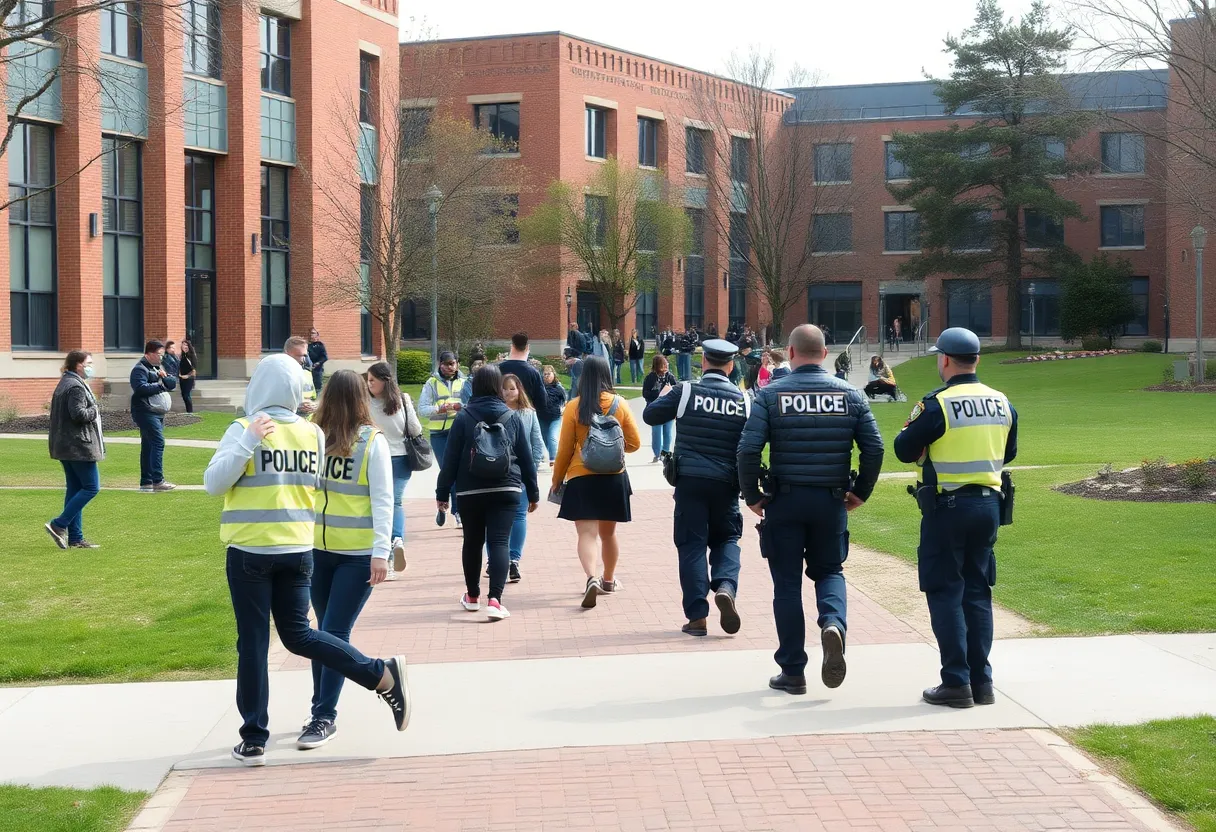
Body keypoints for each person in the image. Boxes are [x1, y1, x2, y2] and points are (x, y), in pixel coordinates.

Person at [202, 354, 410, 765]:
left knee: (256, 643)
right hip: (301, 551)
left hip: (253, 550)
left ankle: (256, 736)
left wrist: (248, 444)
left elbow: (213, 484)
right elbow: (311, 486)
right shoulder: (310, 434)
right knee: (300, 636)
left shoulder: (245, 429)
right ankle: (377, 673)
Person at [737, 325, 884, 696]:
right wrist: (860, 492)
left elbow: (748, 450)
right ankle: (833, 624)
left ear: (790, 352)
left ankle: (792, 671)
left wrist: (752, 495)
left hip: (784, 501)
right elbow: (875, 448)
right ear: (825, 352)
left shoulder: (770, 395)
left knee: (786, 584)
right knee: (830, 571)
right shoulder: (850, 395)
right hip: (830, 500)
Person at [893, 327, 1018, 709]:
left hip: (947, 507)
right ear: (976, 359)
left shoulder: (937, 404)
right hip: (989, 507)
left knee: (946, 590)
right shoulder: (1002, 402)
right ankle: (983, 683)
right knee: (978, 592)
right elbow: (1008, 453)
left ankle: (956, 682)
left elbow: (902, 449)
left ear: (945, 359)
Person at [300, 369, 396, 750]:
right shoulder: (311, 436)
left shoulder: (372, 442)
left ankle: (325, 716)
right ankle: (318, 710)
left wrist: (381, 552)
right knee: (319, 635)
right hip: (315, 551)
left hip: (356, 556)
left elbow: (383, 500)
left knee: (333, 633)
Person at [643, 340, 749, 637]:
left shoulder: (685, 391)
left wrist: (663, 395)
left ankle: (697, 617)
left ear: (703, 362)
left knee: (691, 546)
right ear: (730, 366)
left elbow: (650, 416)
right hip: (727, 483)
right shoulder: (744, 399)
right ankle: (726, 585)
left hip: (689, 481)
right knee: (727, 538)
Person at [436, 366, 540, 620]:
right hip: (507, 487)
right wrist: (533, 491)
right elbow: (526, 458)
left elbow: (450, 460)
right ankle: (495, 600)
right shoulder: (511, 416)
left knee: (472, 542)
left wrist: (442, 493)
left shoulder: (463, 417)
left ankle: (472, 596)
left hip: (470, 489)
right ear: (496, 385)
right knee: (500, 542)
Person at [551, 356, 641, 608]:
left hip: (582, 477)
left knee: (587, 534)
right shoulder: (620, 404)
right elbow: (634, 443)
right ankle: (609, 581)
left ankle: (591, 578)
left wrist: (557, 480)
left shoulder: (574, 406)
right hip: (614, 477)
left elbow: (565, 449)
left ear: (583, 376)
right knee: (609, 533)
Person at [366, 360, 422, 579]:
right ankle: (396, 539)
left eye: (372, 380)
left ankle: (386, 555)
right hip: (401, 458)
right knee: (395, 503)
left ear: (383, 380)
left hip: (375, 457)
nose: (369, 384)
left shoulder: (367, 403)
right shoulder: (403, 399)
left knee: (378, 504)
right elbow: (415, 428)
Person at [45, 350, 104, 550]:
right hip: (79, 446)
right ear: (78, 365)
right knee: (91, 487)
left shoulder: (65, 383)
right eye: (88, 362)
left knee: (75, 489)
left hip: (65, 445)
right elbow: (78, 414)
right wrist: (94, 409)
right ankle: (59, 524)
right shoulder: (75, 386)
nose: (91, 366)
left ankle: (76, 538)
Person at [502, 373, 545, 582]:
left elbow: (537, 444)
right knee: (498, 517)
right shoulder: (495, 412)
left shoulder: (528, 413)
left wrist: (532, 468)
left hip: (520, 472)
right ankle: (495, 560)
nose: (508, 392)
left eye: (512, 388)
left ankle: (513, 560)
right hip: (498, 472)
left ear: (519, 390)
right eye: (504, 388)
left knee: (519, 515)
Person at [419, 351, 468, 528]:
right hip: (439, 435)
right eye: (446, 363)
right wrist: (439, 409)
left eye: (453, 363)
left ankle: (458, 511)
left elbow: (473, 404)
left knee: (459, 472)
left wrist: (458, 406)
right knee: (448, 471)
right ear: (440, 364)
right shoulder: (431, 383)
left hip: (459, 432)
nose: (450, 367)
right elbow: (422, 409)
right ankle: (442, 502)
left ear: (457, 364)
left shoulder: (465, 382)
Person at [130, 339, 177, 492]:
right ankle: (158, 480)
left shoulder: (158, 368)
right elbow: (140, 388)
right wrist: (160, 385)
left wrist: (164, 378)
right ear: (148, 354)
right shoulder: (139, 369)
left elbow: (172, 383)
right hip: (145, 411)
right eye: (158, 354)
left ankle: (146, 481)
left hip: (156, 412)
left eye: (162, 355)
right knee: (158, 442)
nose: (161, 358)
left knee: (148, 445)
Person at [498, 333, 551, 464]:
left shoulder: (498, 369)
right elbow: (542, 402)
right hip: (526, 417)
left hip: (500, 415)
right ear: (527, 348)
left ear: (512, 346)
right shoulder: (532, 372)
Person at [642, 354, 678, 463]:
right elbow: (645, 393)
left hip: (668, 408)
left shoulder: (670, 377)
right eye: (664, 363)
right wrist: (657, 394)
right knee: (656, 431)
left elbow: (676, 389)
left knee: (667, 432)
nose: (666, 365)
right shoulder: (650, 377)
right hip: (655, 407)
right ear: (658, 365)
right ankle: (657, 454)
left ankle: (665, 453)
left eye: (666, 363)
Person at [539, 364, 567, 462]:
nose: (547, 376)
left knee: (552, 438)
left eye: (549, 374)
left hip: (555, 417)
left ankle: (554, 460)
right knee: (545, 439)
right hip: (542, 417)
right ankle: (552, 455)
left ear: (553, 374)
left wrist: (563, 409)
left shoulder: (558, 387)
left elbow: (565, 401)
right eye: (545, 374)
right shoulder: (539, 387)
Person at [284, 336, 317, 415]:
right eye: (299, 355)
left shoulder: (307, 374)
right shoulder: (278, 377)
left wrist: (314, 406)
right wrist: (297, 407)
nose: (303, 360)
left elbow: (313, 398)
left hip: (307, 423)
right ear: (286, 354)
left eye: (305, 356)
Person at [179, 339, 199, 413]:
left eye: (186, 345)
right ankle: (188, 412)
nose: (184, 346)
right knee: (184, 395)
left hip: (189, 379)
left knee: (187, 395)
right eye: (183, 344)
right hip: (182, 378)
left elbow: (193, 370)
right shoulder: (182, 356)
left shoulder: (190, 356)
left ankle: (190, 412)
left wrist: (187, 376)